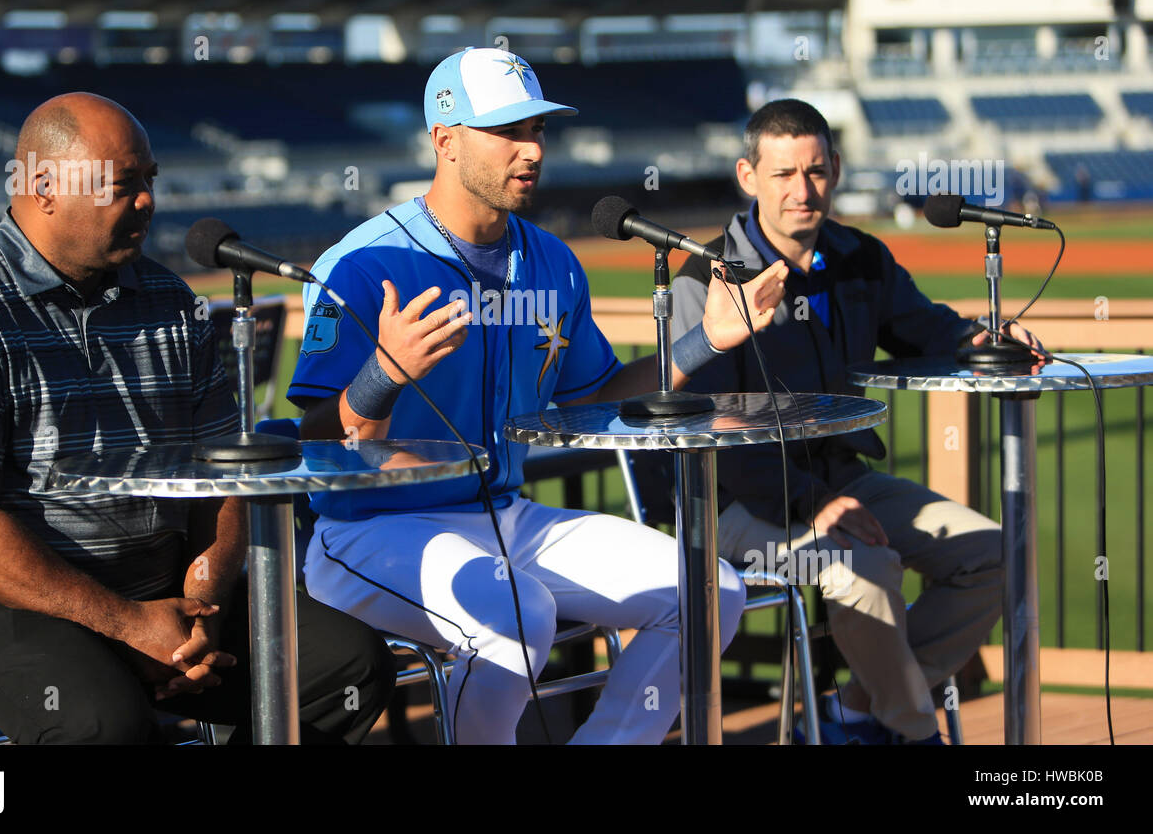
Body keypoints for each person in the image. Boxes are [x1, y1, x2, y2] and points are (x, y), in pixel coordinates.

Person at [287, 49, 788, 744]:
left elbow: (599, 399)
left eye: (539, 130)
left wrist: (704, 339)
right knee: (517, 615)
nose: (531, 150)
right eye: (508, 131)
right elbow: (322, 445)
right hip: (369, 532)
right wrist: (381, 374)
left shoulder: (551, 259)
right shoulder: (365, 264)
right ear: (446, 140)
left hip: (504, 515)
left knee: (713, 591)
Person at [0, 92, 393, 744]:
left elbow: (222, 474)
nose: (149, 203)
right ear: (44, 187)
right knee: (104, 719)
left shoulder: (169, 300)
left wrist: (201, 614)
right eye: (124, 186)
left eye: (150, 181)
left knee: (346, 665)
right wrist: (127, 625)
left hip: (161, 590)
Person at [672, 98, 1043, 744]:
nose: (802, 190)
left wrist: (982, 338)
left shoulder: (859, 257)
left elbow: (924, 330)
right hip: (730, 502)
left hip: (841, 482)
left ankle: (857, 706)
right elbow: (712, 437)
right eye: (783, 174)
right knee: (866, 570)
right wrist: (814, 504)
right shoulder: (706, 279)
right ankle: (914, 731)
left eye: (815, 171)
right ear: (747, 175)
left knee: (998, 554)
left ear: (836, 170)